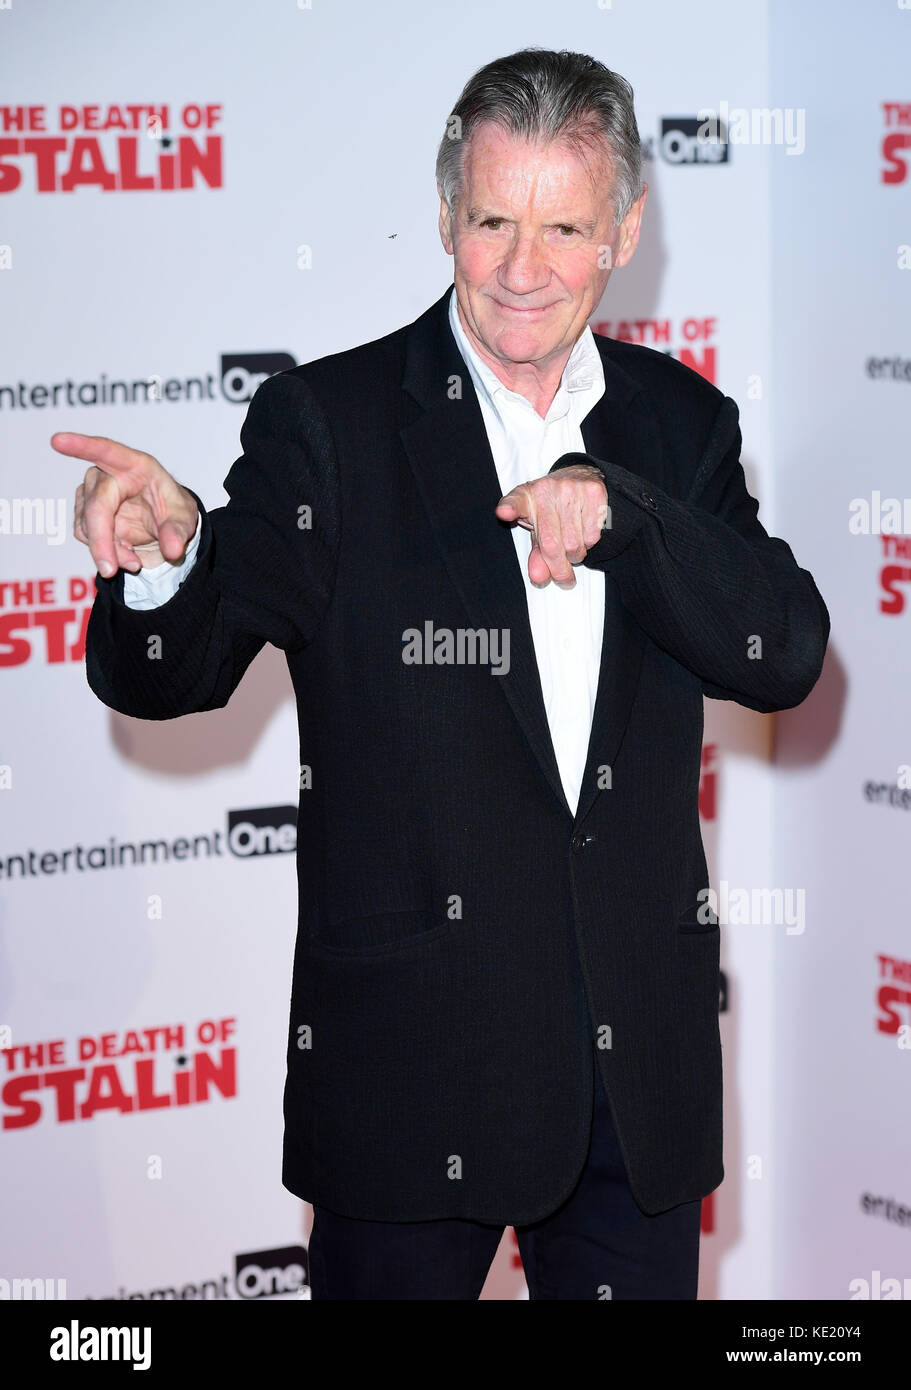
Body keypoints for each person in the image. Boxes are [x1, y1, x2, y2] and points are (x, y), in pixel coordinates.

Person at [53, 48, 829, 1300]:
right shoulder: (333, 424)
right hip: (412, 1079)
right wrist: (168, 557)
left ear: (622, 231)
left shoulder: (680, 428)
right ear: (443, 217)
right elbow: (174, 670)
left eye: (563, 225)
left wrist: (623, 512)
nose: (521, 268)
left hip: (630, 1092)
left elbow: (780, 650)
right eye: (490, 220)